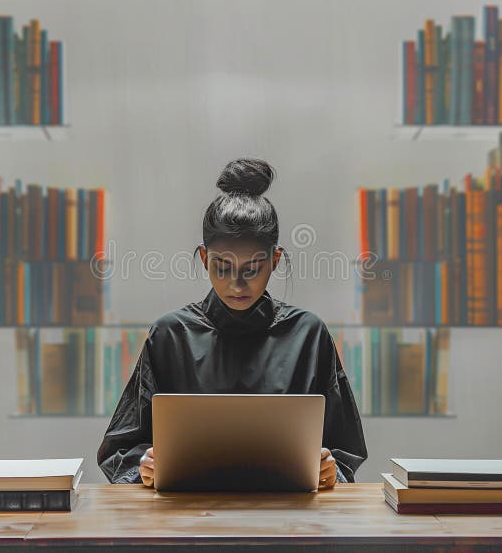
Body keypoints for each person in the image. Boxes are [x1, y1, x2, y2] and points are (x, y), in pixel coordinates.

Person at [96, 158, 367, 489]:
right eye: (222, 268)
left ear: (275, 260)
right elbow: (120, 451)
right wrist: (145, 466)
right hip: (187, 523)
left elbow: (345, 451)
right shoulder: (171, 335)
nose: (237, 285)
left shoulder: (308, 335)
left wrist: (330, 469)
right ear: (204, 258)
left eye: (252, 269)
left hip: (289, 522)